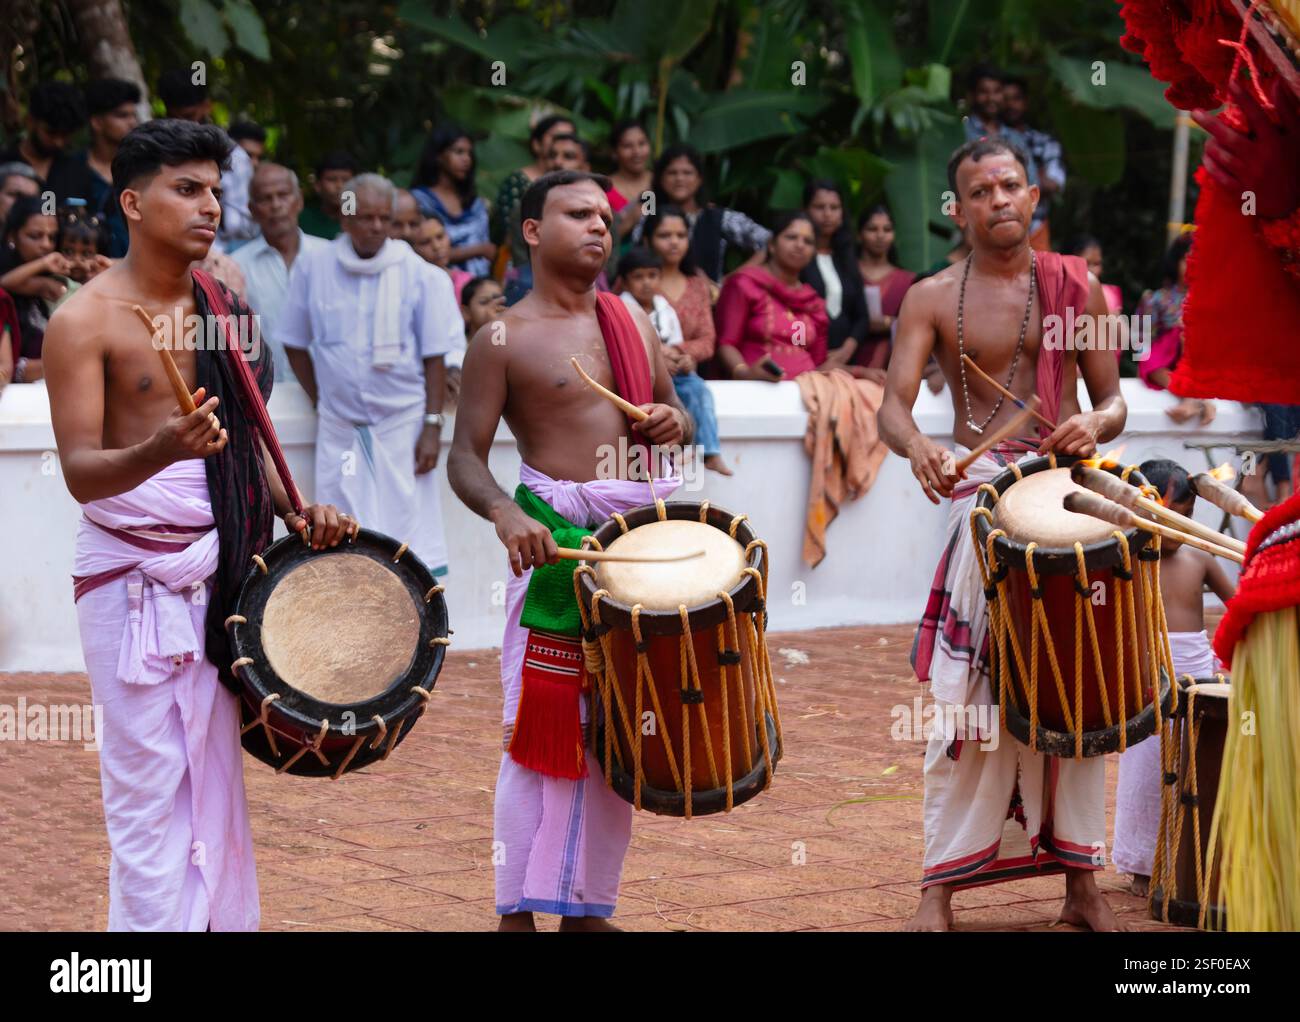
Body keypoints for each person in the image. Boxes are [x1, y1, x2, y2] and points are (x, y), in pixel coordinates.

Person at [41, 118, 350, 930]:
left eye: (215, 190)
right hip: (130, 579)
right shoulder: (85, 319)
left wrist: (296, 508)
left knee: (212, 780)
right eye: (188, 189)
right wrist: (161, 446)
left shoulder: (226, 305)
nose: (210, 206)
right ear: (133, 202)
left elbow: (243, 438)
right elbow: (79, 473)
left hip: (221, 569)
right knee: (146, 791)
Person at [878, 138, 1128, 931]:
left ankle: (1082, 883)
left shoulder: (1076, 289)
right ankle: (937, 890)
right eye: (980, 191)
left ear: (1033, 195)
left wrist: (1091, 423)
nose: (999, 200)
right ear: (957, 209)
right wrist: (919, 446)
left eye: (1011, 185)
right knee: (968, 699)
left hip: (1064, 497)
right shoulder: (927, 297)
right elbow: (891, 403)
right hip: (981, 503)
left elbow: (1114, 402)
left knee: (1077, 683)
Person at [448, 169, 691, 931]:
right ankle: (515, 910)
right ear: (530, 230)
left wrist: (668, 421)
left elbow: (678, 414)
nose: (597, 226)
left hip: (634, 539)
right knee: (540, 727)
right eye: (576, 213)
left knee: (620, 721)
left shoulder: (633, 320)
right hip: (555, 546)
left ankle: (587, 908)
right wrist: (502, 515)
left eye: (603, 216)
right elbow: (464, 456)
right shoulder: (502, 335)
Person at [277, 173, 462, 578]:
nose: (376, 227)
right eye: (366, 217)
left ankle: (420, 626)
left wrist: (431, 424)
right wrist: (318, 398)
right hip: (339, 424)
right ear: (345, 219)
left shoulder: (419, 273)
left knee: (409, 536)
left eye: (384, 218)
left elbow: (434, 356)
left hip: (404, 424)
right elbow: (293, 339)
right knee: (338, 532)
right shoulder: (314, 266)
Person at [1112, 458, 1234, 897]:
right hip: (1146, 679)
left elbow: (1239, 604)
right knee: (1145, 772)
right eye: (1164, 514)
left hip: (1198, 675)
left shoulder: (1200, 555)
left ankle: (1196, 860)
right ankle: (1143, 866)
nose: (1174, 525)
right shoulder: (1122, 556)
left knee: (1196, 770)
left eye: (1184, 516)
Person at [617, 246, 728, 474]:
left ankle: (709, 451)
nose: (646, 283)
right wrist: (657, 361)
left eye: (652, 276)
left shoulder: (664, 308)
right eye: (638, 277)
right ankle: (671, 455)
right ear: (625, 282)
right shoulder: (620, 309)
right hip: (641, 375)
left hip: (671, 373)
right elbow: (622, 348)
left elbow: (676, 344)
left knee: (698, 389)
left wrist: (684, 360)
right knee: (658, 411)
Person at [232, 162, 329, 380]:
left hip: (328, 396)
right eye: (266, 199)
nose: (276, 205)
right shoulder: (236, 267)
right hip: (265, 398)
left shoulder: (330, 257)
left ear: (299, 200)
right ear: (252, 209)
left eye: (283, 195)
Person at [714, 211, 830, 381]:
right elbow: (726, 344)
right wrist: (744, 373)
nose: (800, 245)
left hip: (806, 395)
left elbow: (819, 362)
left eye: (808, 241)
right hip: (755, 391)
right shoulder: (745, 284)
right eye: (791, 237)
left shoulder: (813, 302)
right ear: (771, 245)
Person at [635, 144, 770, 282]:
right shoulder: (649, 216)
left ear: (699, 179)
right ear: (661, 179)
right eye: (672, 173)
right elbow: (636, 252)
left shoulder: (719, 217)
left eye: (687, 173)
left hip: (711, 301)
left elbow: (770, 241)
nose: (680, 178)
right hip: (656, 299)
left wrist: (730, 281)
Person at [156, 70, 259, 251]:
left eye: (189, 116)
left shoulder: (234, 157)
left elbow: (244, 227)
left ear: (207, 106)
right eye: (174, 116)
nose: (183, 123)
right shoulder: (158, 153)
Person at [492, 113, 576, 303]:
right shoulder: (522, 199)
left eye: (568, 138)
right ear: (537, 144)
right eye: (556, 139)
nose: (559, 161)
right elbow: (519, 250)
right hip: (532, 277)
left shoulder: (593, 200)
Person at [1135, 234, 1214, 425]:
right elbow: (1141, 339)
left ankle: (1193, 398)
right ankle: (1193, 398)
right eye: (1187, 260)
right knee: (1149, 359)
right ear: (1176, 262)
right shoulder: (1155, 298)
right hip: (1165, 363)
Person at [0, 196, 79, 383]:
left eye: (52, 237)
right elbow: (5, 282)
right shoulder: (8, 285)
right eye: (35, 236)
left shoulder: (53, 279)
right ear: (12, 236)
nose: (46, 245)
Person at [802, 180, 871, 375]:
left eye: (834, 207)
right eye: (819, 207)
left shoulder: (847, 258)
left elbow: (862, 316)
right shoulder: (796, 256)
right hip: (806, 362)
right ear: (805, 210)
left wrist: (846, 350)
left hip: (846, 362)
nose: (827, 214)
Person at [410, 125, 494, 276]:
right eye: (459, 152)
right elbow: (421, 250)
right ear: (438, 156)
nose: (466, 159)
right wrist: (478, 249)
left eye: (469, 153)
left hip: (480, 288)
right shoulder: (418, 201)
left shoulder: (475, 204)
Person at [77, 78, 141, 257]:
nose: (132, 122)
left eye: (133, 115)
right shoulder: (70, 169)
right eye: (122, 115)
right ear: (97, 122)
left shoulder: (144, 169)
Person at [1000, 76, 1065, 249]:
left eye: (1016, 98)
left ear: (1026, 101)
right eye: (1005, 99)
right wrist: (1036, 176)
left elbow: (1053, 184)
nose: (1011, 105)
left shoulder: (1044, 142)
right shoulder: (990, 141)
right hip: (998, 231)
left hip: (1035, 228)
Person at [0, 81, 87, 203]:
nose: (58, 142)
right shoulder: (4, 163)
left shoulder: (76, 170)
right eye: (51, 133)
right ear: (30, 122)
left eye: (65, 135)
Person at [855, 205, 917, 376]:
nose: (880, 235)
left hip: (893, 373)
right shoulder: (845, 276)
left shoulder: (908, 280)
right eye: (872, 229)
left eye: (887, 229)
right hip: (846, 367)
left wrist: (890, 323)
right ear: (859, 235)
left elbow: (918, 327)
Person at [453, 275, 506, 405]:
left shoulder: (507, 343)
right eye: (484, 302)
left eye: (499, 302)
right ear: (465, 312)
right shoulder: (456, 350)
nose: (494, 308)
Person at [605, 120, 652, 242]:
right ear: (614, 152)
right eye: (627, 146)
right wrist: (630, 221)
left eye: (642, 144)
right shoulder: (604, 189)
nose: (636, 152)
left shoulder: (661, 182)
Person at [298, 150, 359, 241]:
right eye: (332, 180)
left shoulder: (365, 218)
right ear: (317, 185)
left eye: (346, 180)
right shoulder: (302, 220)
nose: (339, 186)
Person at [412, 212, 472, 302]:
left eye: (440, 237)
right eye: (425, 242)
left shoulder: (467, 283)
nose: (436, 246)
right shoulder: (411, 286)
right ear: (412, 249)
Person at [1066, 235, 1122, 314]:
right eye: (1086, 263)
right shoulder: (1059, 295)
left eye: (1097, 264)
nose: (1092, 270)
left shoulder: (1110, 295)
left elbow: (1113, 325)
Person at [58, 206, 113, 284]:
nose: (77, 259)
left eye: (86, 253)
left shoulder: (104, 283)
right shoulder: (52, 282)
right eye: (68, 251)